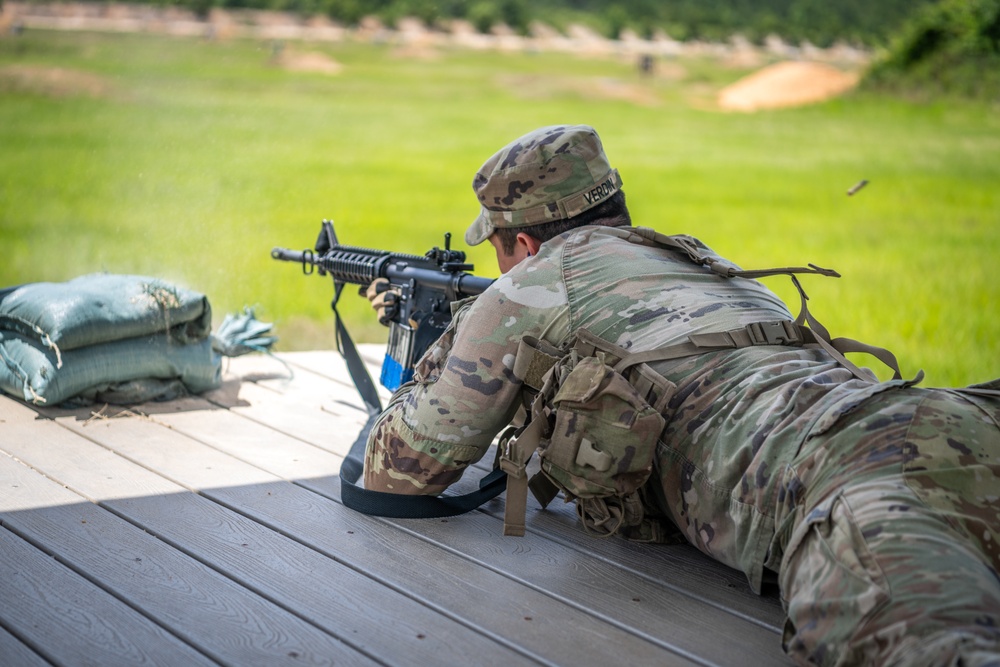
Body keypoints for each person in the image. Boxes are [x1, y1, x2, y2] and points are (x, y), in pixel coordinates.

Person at [361, 124, 1000, 666]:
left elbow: (398, 473)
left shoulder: (529, 284)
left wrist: (440, 348)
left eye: (500, 250)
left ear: (523, 245)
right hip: (947, 413)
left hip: (841, 477)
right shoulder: (696, 257)